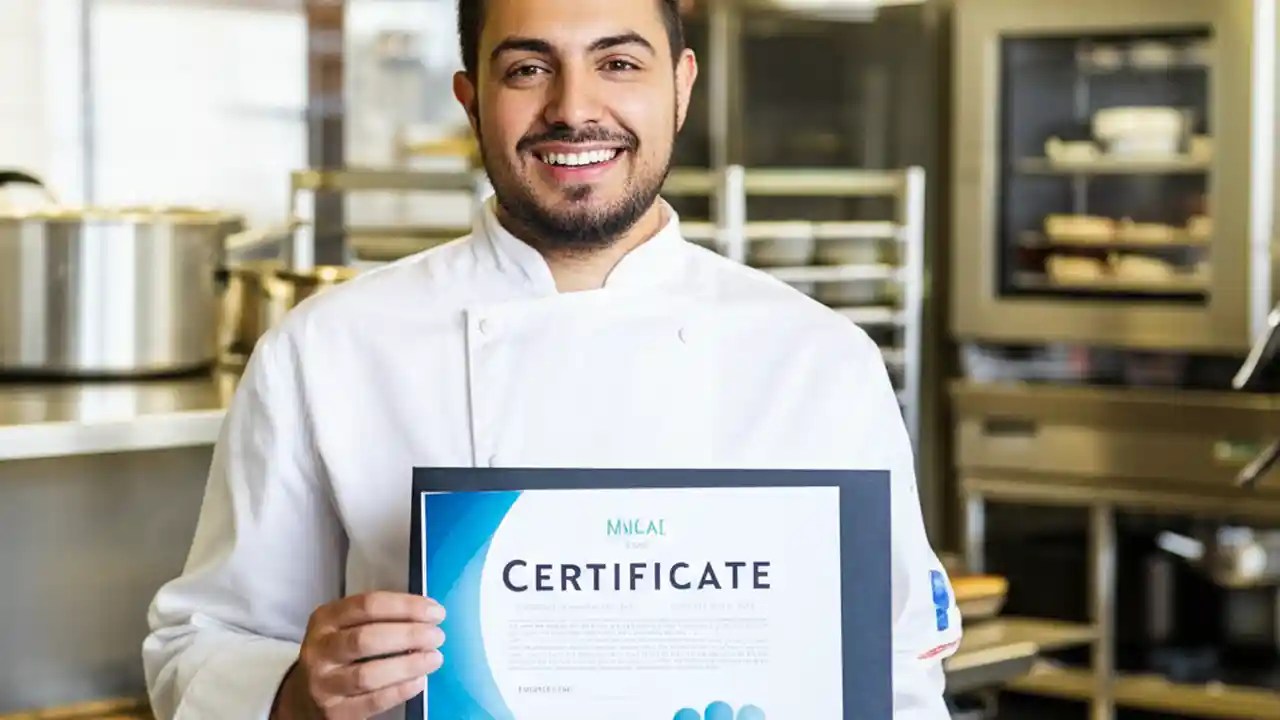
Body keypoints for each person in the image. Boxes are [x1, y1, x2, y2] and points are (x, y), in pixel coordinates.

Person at [142, 0, 962, 717]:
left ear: (680, 84)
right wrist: (295, 693)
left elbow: (897, 678)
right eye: (529, 68)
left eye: (617, 62)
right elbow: (200, 648)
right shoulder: (325, 349)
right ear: (470, 99)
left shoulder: (818, 359)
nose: (575, 110)